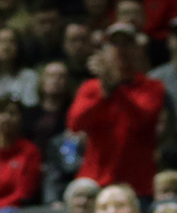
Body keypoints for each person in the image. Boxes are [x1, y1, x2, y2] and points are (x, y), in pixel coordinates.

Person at [68, 26, 165, 196]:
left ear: (138, 50)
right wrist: (105, 91)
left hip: (137, 186)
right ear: (105, 51)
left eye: (127, 44)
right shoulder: (90, 88)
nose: (121, 50)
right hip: (95, 182)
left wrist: (115, 88)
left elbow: (143, 121)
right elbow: (75, 123)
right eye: (114, 44)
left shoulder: (152, 87)